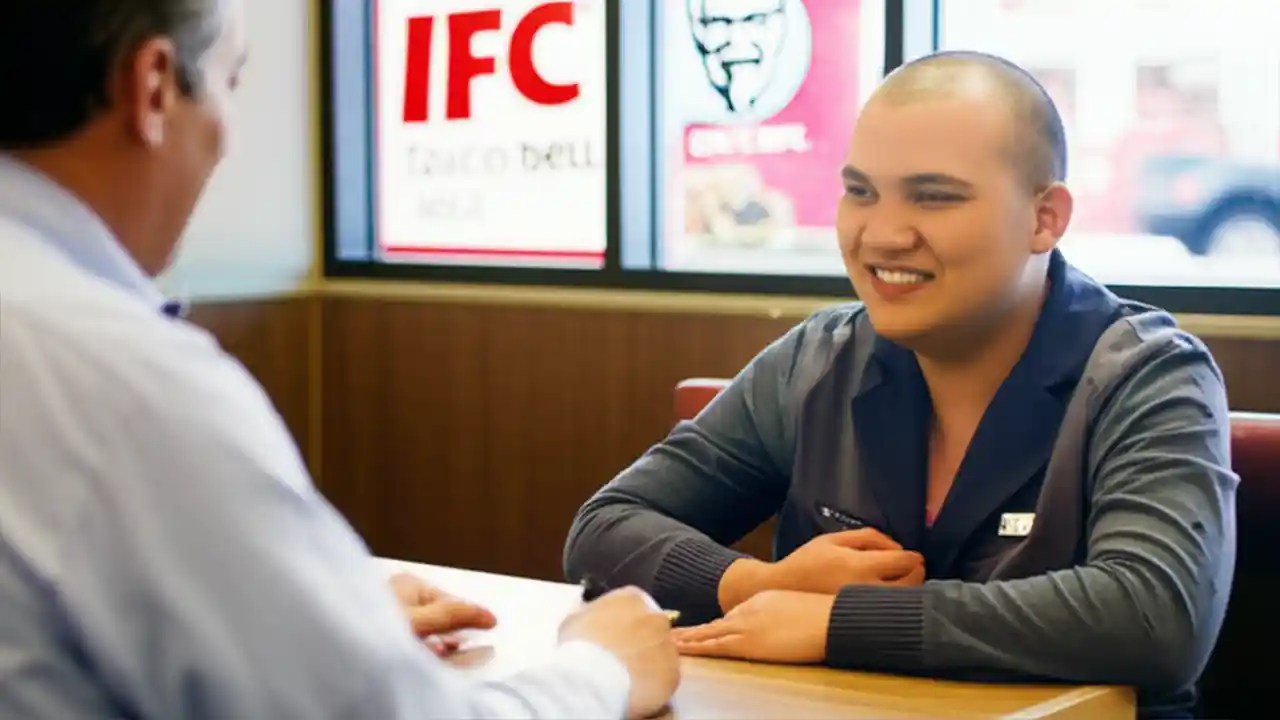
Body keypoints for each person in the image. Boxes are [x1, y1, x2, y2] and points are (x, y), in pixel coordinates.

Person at [0, 1, 678, 718]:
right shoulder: (118, 380)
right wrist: (601, 668)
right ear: (156, 86)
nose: (229, 144)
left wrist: (305, 620)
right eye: (231, 84)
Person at [564, 51, 1236, 719]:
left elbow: (1154, 617)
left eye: (934, 197)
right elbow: (604, 530)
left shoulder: (1146, 374)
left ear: (1045, 218)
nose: (881, 235)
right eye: (860, 192)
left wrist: (837, 623)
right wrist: (754, 584)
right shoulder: (818, 359)